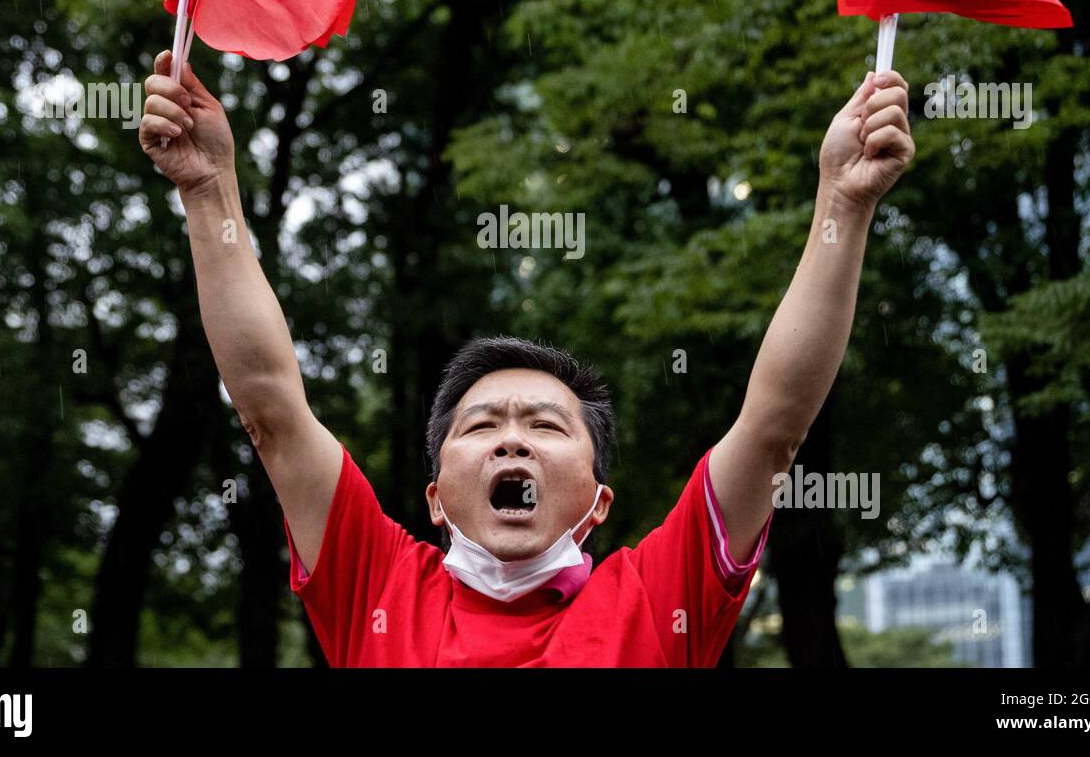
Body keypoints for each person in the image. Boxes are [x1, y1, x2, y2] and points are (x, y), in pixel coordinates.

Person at [139, 50, 914, 666]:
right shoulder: (375, 585)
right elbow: (271, 408)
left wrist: (843, 202)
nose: (512, 438)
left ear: (599, 503)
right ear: (436, 498)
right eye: (482, 426)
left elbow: (775, 425)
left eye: (546, 424)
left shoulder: (654, 598)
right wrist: (209, 194)